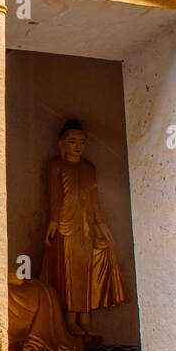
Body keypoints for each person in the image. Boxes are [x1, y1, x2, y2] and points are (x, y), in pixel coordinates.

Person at [40, 118, 128, 339]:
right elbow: (55, 196)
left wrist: (101, 224)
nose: (77, 146)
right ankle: (70, 321)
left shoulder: (89, 168)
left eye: (81, 142)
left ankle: (86, 320)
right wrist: (53, 220)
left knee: (87, 272)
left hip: (87, 225)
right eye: (72, 141)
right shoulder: (56, 166)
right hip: (65, 224)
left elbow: (94, 199)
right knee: (69, 273)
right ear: (62, 144)